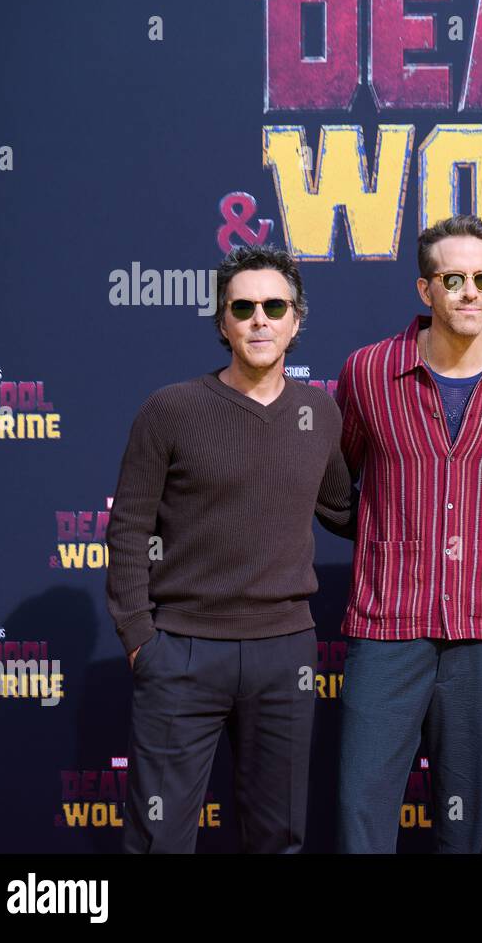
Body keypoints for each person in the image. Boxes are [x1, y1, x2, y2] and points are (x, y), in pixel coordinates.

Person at [106, 244, 356, 853]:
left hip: (286, 653)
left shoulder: (319, 413)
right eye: (243, 308)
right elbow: (129, 527)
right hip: (183, 653)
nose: (259, 319)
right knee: (159, 839)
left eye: (275, 306)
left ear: (297, 319)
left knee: (279, 838)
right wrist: (141, 638)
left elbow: (347, 511)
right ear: (223, 322)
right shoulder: (170, 410)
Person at [335, 214, 482, 853]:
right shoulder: (369, 373)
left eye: (481, 278)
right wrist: (389, 537)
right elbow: (334, 484)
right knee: (361, 815)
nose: (467, 292)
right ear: (424, 289)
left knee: (465, 828)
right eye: (450, 278)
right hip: (387, 628)